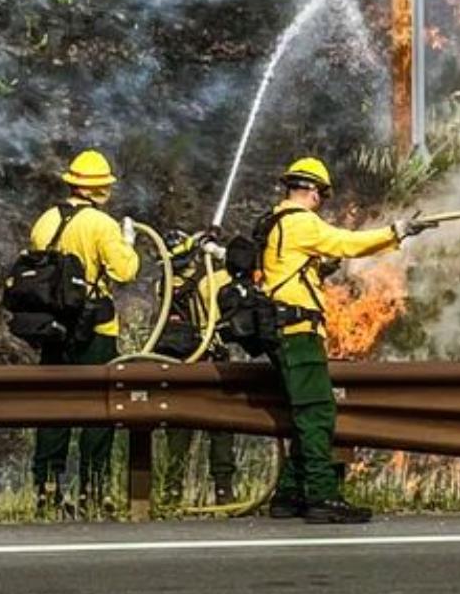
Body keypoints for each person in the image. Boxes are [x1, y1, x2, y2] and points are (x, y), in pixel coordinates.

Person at [258, 156, 432, 523]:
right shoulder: (300, 221)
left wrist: (318, 270)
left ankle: (288, 495)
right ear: (313, 191)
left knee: (306, 414)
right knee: (318, 413)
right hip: (298, 333)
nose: (321, 201)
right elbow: (347, 243)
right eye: (322, 194)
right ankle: (321, 496)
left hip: (285, 330)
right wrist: (396, 231)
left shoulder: (275, 222)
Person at [30, 149, 141, 515]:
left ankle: (46, 488)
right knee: (99, 409)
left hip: (54, 328)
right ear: (100, 188)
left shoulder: (45, 220)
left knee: (53, 408)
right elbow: (124, 272)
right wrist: (127, 243)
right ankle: (93, 489)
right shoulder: (101, 224)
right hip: (95, 329)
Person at [157, 234, 238, 508]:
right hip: (209, 362)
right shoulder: (210, 280)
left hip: (176, 367)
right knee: (221, 426)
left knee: (178, 431)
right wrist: (218, 252)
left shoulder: (163, 284)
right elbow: (243, 269)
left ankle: (172, 492)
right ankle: (224, 491)